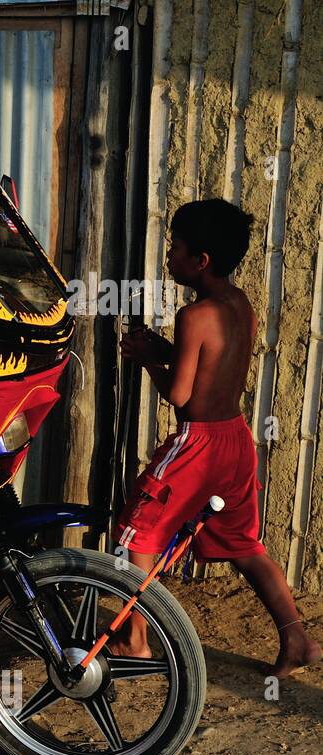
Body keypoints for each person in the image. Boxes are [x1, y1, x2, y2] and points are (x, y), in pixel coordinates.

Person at [114, 199, 320, 677]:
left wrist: (147, 360)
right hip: (235, 441)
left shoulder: (194, 315)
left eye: (176, 248)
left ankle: (135, 639)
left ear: (200, 260)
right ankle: (298, 639)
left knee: (136, 532)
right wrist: (160, 349)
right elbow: (212, 366)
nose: (169, 256)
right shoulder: (240, 305)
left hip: (198, 445)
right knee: (245, 545)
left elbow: (183, 396)